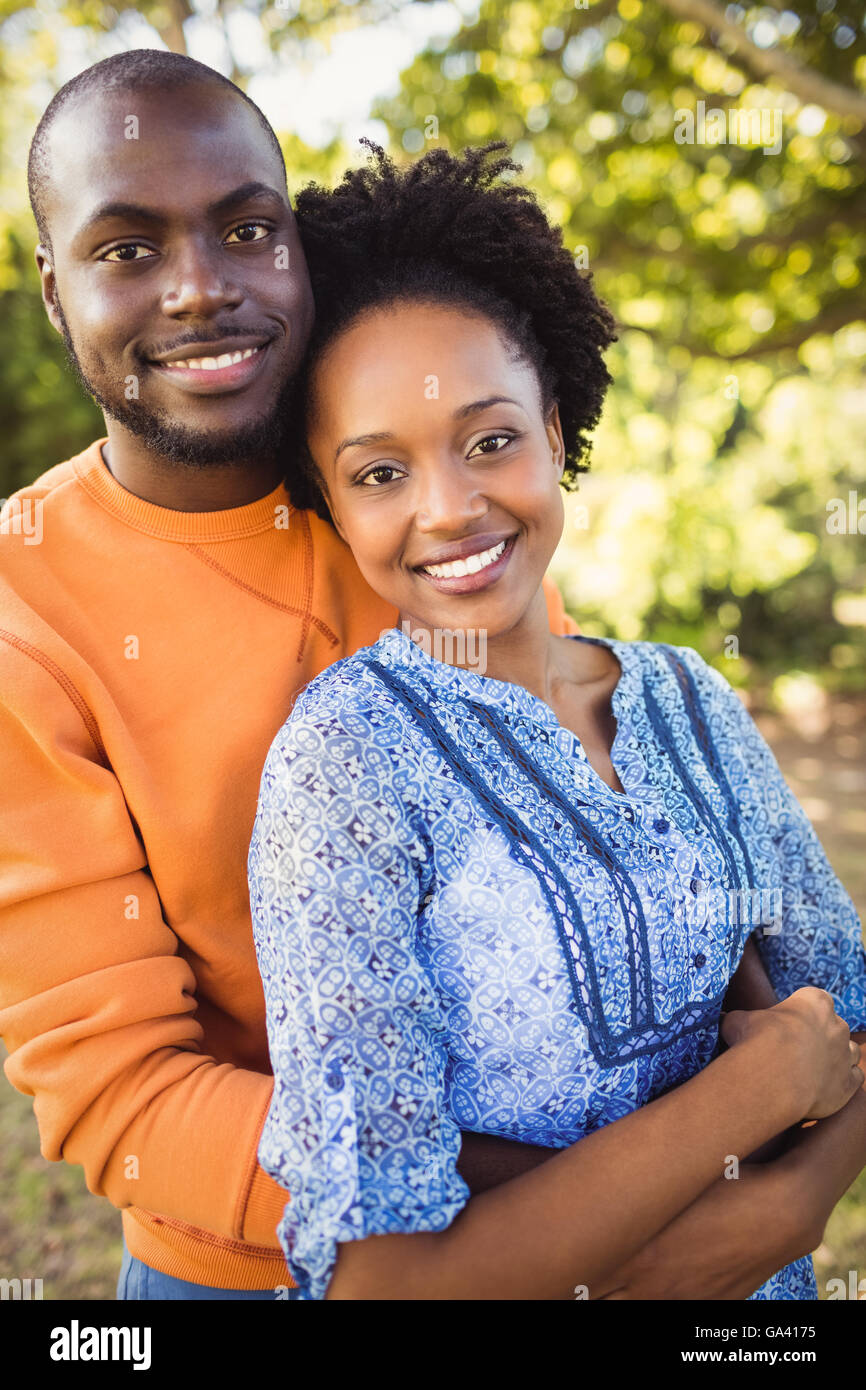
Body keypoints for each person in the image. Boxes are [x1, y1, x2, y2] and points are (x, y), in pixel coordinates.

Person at [0, 51, 577, 1300]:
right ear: (54, 293)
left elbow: (582, 836)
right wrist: (591, 1180)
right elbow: (128, 1096)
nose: (201, 288)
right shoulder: (22, 611)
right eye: (126, 250)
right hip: (252, 1261)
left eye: (247, 229)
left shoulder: (421, 498)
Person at [247, 143, 866, 1300]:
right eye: (380, 473)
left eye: (489, 439)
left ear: (556, 422)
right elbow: (381, 1280)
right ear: (326, 498)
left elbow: (844, 1017)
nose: (449, 508)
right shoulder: (342, 764)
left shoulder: (685, 695)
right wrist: (752, 1099)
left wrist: (792, 1204)